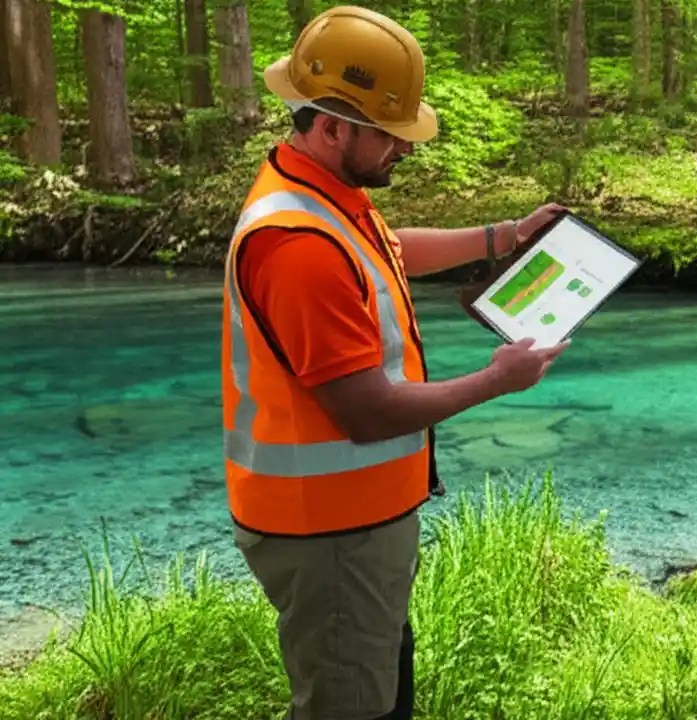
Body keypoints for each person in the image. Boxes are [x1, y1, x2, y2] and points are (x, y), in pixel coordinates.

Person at [219, 6, 570, 719]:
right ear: (333, 124)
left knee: (380, 689)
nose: (405, 150)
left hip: (353, 524)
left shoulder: (323, 196)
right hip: (330, 535)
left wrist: (507, 234)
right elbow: (368, 412)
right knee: (351, 706)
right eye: (391, 134)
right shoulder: (298, 247)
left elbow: (393, 248)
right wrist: (494, 381)